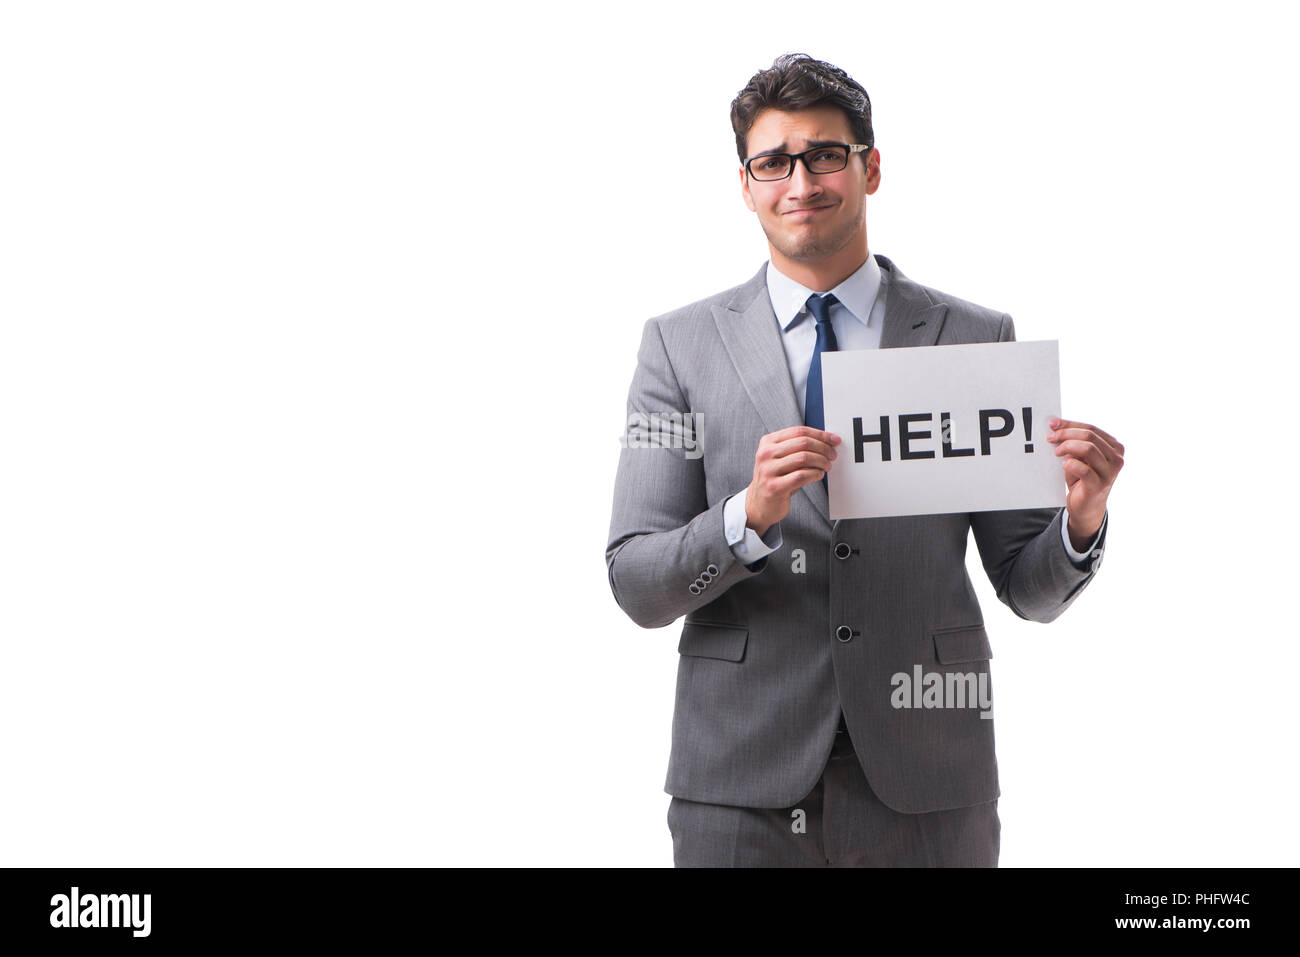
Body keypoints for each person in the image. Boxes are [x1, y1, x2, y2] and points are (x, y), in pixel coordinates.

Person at [604, 53, 1124, 867]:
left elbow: (1027, 585)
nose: (800, 181)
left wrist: (1081, 521)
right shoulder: (678, 348)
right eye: (773, 161)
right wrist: (747, 518)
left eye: (825, 155)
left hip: (929, 779)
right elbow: (637, 581)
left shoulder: (974, 338)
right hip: (739, 781)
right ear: (746, 184)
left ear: (870, 168)